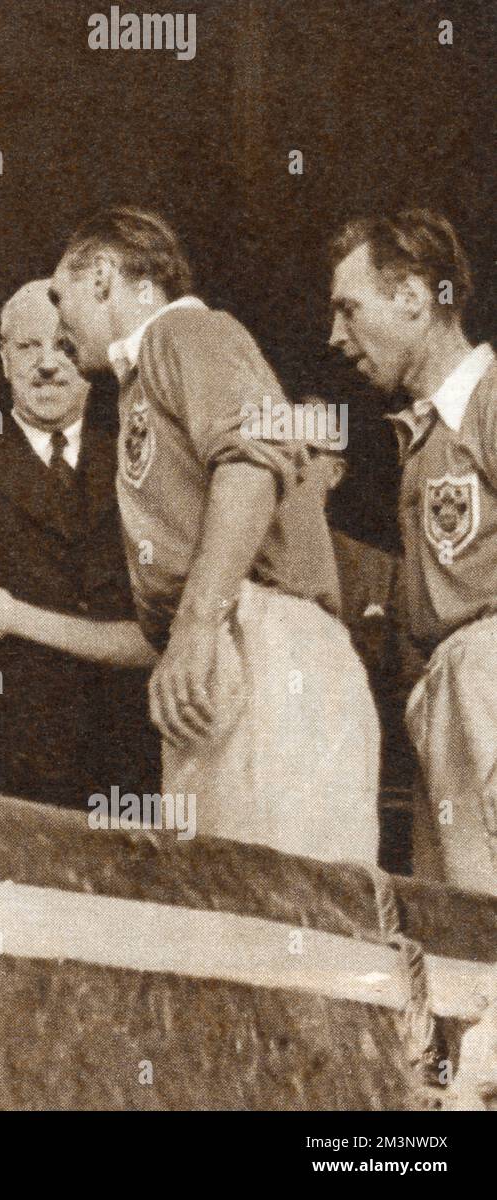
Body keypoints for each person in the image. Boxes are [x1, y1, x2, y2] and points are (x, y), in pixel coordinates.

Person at [5, 206, 376, 863]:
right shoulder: (141, 381)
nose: (58, 331)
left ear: (103, 276)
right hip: (222, 653)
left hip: (265, 645)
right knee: (227, 918)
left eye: (61, 299)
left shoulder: (186, 332)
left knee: (288, 912)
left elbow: (253, 457)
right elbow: (162, 629)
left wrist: (198, 625)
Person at [0, 279, 159, 799]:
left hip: (128, 767)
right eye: (28, 346)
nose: (48, 364)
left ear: (89, 357)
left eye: (65, 346)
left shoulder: (139, 466)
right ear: (3, 359)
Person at [328, 209, 496, 894]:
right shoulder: (423, 437)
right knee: (466, 930)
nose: (335, 336)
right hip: (447, 691)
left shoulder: (490, 399)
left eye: (348, 309)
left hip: (486, 675)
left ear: (413, 297)